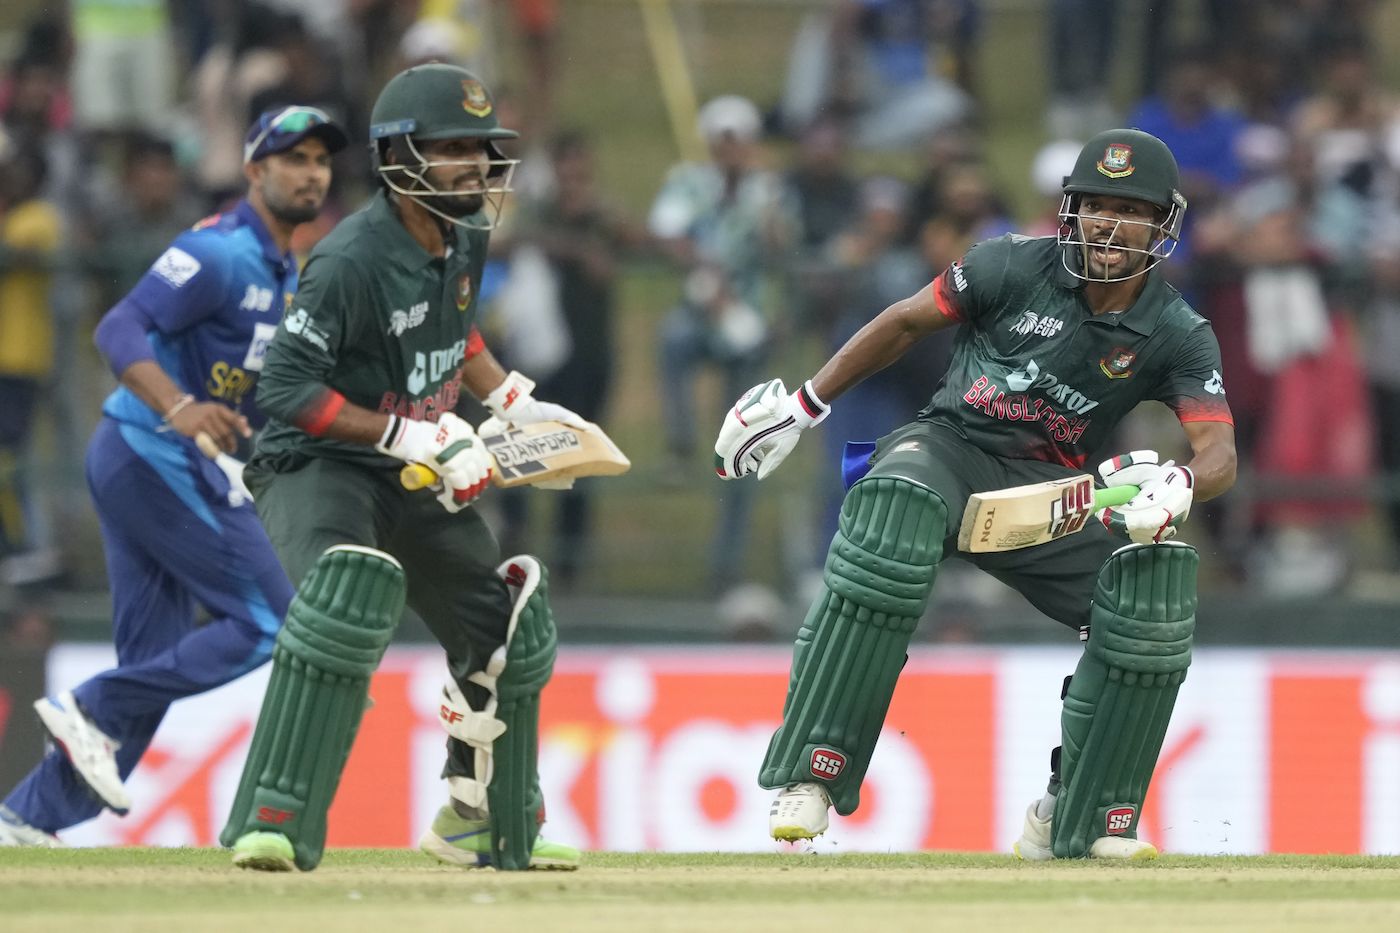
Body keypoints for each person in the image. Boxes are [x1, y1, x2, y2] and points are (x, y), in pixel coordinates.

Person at [714, 129, 1237, 859]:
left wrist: (1182, 481)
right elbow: (903, 322)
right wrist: (804, 405)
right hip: (950, 449)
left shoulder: (1177, 331)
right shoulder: (1008, 263)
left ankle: (1079, 817)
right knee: (894, 511)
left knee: (1148, 591)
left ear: (1163, 225)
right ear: (1071, 212)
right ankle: (811, 774)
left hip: (1048, 494)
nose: (1111, 226)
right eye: (1096, 207)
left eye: (1131, 209)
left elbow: (1219, 450)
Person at [218, 63, 581, 873]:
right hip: (317, 463)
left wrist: (512, 400)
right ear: (399, 155)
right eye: (453, 147)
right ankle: (269, 818)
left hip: (414, 467)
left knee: (502, 629)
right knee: (347, 603)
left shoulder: (465, 232)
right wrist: (401, 436)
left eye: (481, 148)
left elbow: (459, 333)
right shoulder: (348, 260)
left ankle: (475, 816)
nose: (476, 166)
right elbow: (282, 386)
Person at [0, 105, 346, 847]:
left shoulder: (287, 271)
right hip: (153, 451)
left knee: (157, 663)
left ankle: (24, 819)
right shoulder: (219, 252)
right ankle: (89, 703)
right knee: (269, 620)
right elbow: (117, 328)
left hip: (152, 459)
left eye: (321, 160)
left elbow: (258, 392)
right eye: (294, 158)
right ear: (255, 170)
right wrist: (183, 405)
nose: (312, 172)